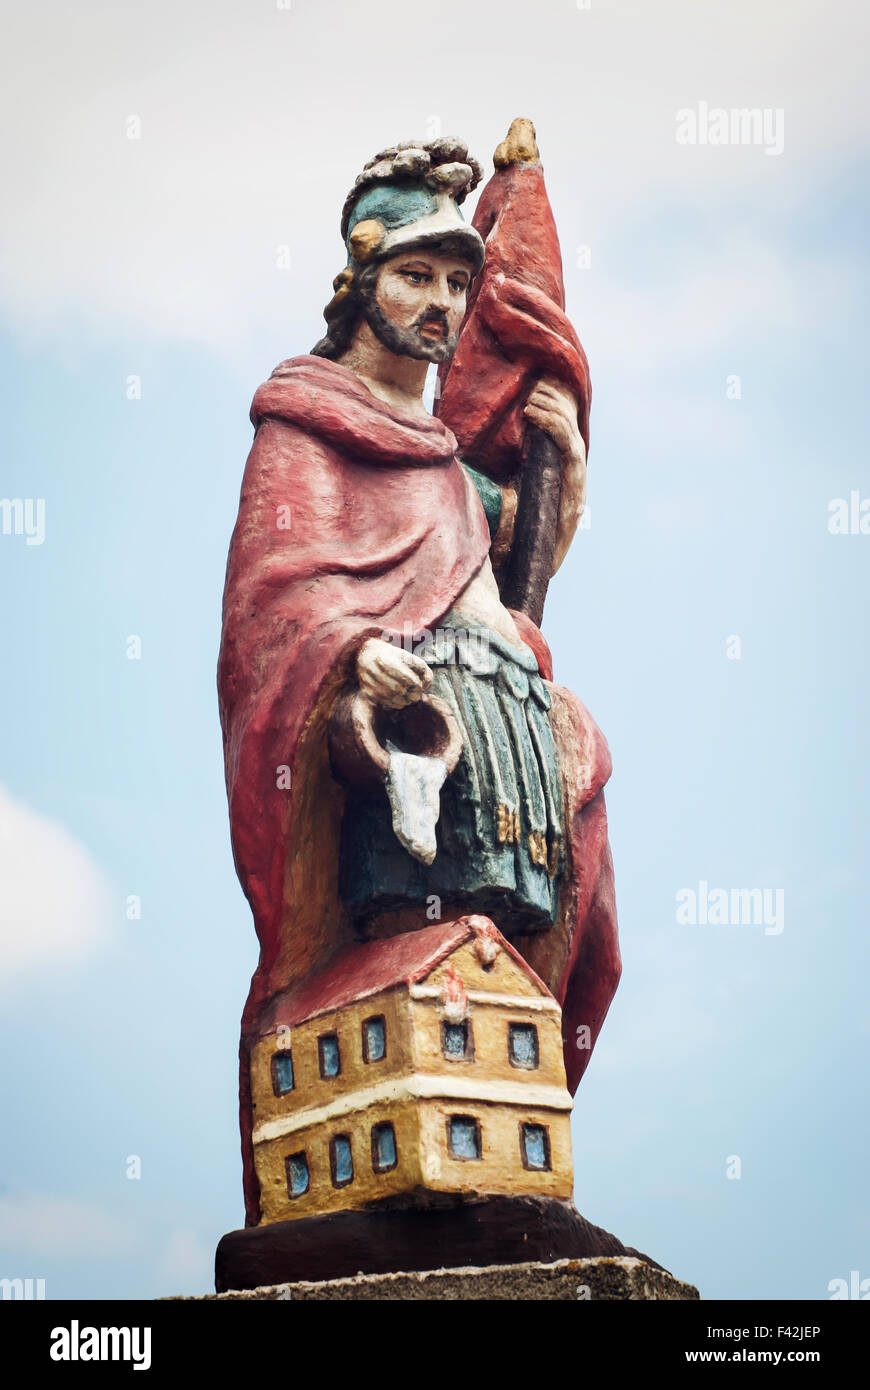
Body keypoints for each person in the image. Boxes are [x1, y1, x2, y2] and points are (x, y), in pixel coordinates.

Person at [218, 133, 620, 1225]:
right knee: (412, 951)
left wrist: (564, 485)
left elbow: (506, 584)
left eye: (458, 281)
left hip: (503, 754)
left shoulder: (445, 458)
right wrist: (350, 650)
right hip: (403, 752)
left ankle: (500, 1147)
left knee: (532, 915)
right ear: (359, 282)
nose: (443, 304)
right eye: (417, 276)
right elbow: (276, 605)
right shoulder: (302, 426)